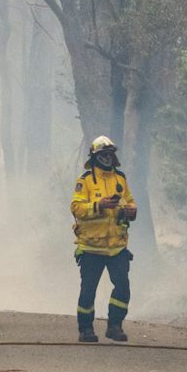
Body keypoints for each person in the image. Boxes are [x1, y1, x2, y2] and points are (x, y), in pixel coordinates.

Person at [69, 135, 137, 342]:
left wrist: (131, 210)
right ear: (95, 157)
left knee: (123, 287)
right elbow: (76, 208)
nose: (107, 158)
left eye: (110, 154)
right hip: (91, 247)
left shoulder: (120, 179)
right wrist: (99, 206)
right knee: (88, 290)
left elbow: (131, 202)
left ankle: (115, 326)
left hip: (117, 246)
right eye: (103, 154)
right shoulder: (86, 181)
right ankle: (85, 329)